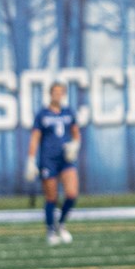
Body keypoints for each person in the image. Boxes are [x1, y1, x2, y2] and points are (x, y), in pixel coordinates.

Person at [24, 81, 80, 246]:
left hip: (65, 159)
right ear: (50, 94)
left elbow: (76, 133)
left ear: (63, 94)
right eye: (54, 92)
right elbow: (35, 137)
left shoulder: (68, 112)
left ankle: (61, 223)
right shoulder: (42, 114)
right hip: (48, 160)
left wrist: (75, 145)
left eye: (60, 92)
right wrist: (31, 159)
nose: (57, 95)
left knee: (71, 194)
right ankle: (50, 229)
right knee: (51, 197)